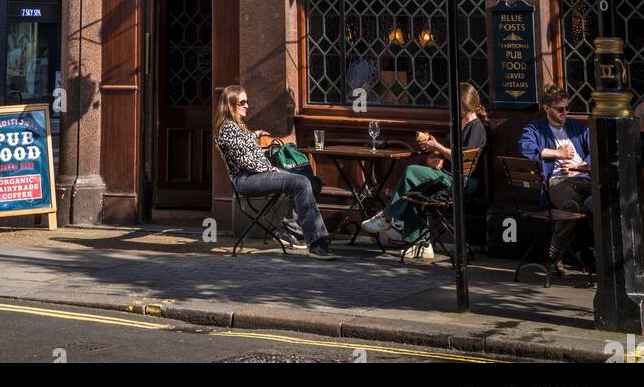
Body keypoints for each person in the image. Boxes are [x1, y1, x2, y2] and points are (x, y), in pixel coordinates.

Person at [361, 83, 489, 259]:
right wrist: (437, 155)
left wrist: (439, 148)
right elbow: (447, 153)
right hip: (448, 175)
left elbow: (462, 158)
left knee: (411, 171)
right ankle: (423, 244)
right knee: (413, 191)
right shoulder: (457, 123)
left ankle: (388, 217)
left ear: (463, 103)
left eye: (455, 103)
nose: (451, 107)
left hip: (462, 181)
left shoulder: (476, 127)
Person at [214, 84, 335, 260]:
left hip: (258, 173)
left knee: (312, 182)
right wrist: (276, 170)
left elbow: (247, 142)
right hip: (247, 179)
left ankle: (291, 227)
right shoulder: (228, 129)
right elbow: (248, 163)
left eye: (247, 101)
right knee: (300, 182)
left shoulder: (237, 126)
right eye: (243, 102)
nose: (247, 105)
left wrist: (257, 134)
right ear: (232, 105)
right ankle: (317, 243)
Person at [520, 83, 592, 277]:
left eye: (567, 108)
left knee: (601, 203)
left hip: (584, 178)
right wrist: (557, 153)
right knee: (570, 207)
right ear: (546, 108)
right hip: (558, 181)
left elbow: (593, 151)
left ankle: (597, 257)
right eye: (560, 109)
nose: (565, 112)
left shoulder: (575, 126)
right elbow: (526, 148)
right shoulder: (536, 128)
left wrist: (581, 167)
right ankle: (554, 256)